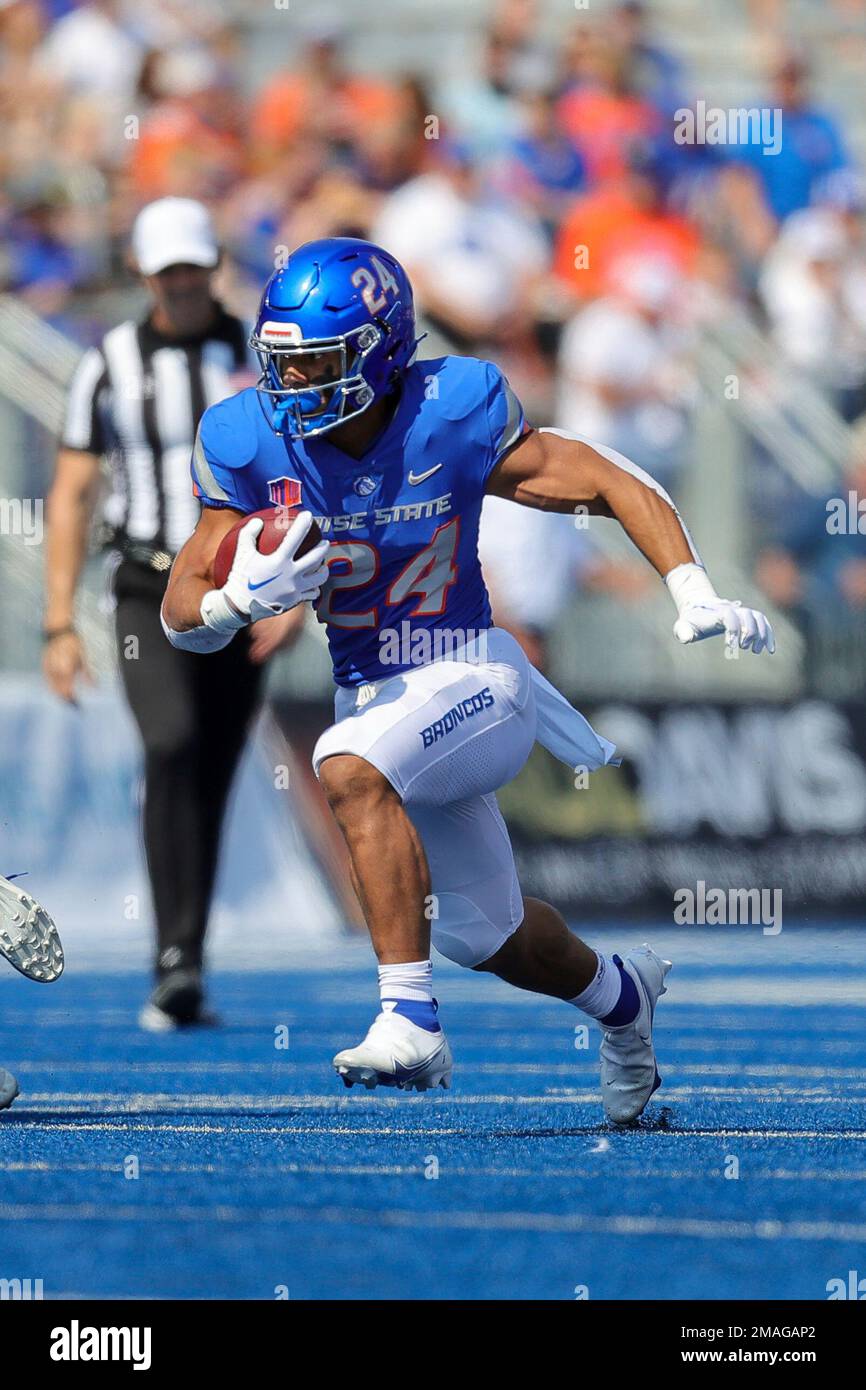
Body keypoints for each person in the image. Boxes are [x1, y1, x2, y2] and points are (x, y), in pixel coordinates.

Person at [160, 238, 774, 1125]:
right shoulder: (248, 439)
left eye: (317, 364)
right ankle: (622, 999)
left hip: (474, 671)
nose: (292, 386)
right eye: (280, 363)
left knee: (346, 766)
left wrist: (690, 585)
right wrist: (231, 601)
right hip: (377, 697)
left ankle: (409, 1018)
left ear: (380, 349)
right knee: (488, 937)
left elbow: (604, 478)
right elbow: (179, 607)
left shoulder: (451, 410)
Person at [43, 197, 302, 1031]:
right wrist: (57, 621)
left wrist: (296, 597)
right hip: (149, 585)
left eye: (194, 265)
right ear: (145, 273)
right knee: (171, 743)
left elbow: (305, 472)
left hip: (247, 589)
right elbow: (75, 489)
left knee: (217, 771)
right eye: (169, 269)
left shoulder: (258, 353)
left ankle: (186, 961)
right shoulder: (109, 361)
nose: (183, 282)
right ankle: (170, 957)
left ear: (211, 264)